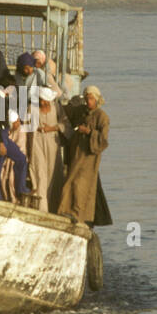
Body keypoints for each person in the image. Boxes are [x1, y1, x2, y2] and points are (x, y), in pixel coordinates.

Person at [57, 86, 109, 224]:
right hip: (77, 154)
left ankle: (79, 215)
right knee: (70, 182)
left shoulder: (102, 117)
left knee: (81, 186)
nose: (88, 101)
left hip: (89, 158)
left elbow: (103, 141)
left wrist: (89, 132)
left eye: (91, 98)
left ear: (97, 99)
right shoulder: (83, 112)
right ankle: (65, 211)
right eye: (87, 98)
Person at [27, 86, 69, 212]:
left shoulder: (57, 108)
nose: (43, 103)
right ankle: (41, 209)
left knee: (53, 175)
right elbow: (25, 126)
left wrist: (52, 128)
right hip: (36, 142)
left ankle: (54, 208)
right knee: (39, 175)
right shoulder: (32, 108)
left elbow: (66, 125)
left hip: (52, 143)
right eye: (41, 100)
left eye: (45, 101)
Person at [0, 110, 31, 203]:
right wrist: (1, 143)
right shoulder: (4, 127)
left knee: (20, 159)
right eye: (18, 122)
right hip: (2, 137)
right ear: (14, 122)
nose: (19, 124)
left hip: (1, 136)